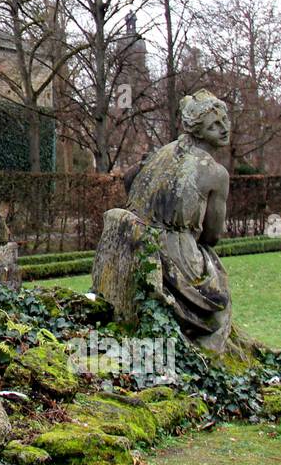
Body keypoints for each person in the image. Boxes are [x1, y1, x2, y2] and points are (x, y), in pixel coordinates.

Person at [91, 90, 233, 352]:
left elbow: (129, 179)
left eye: (225, 120)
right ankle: (202, 356)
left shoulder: (161, 154)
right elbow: (212, 236)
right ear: (198, 131)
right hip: (178, 255)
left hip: (137, 244)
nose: (224, 129)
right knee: (217, 303)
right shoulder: (216, 173)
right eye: (215, 125)